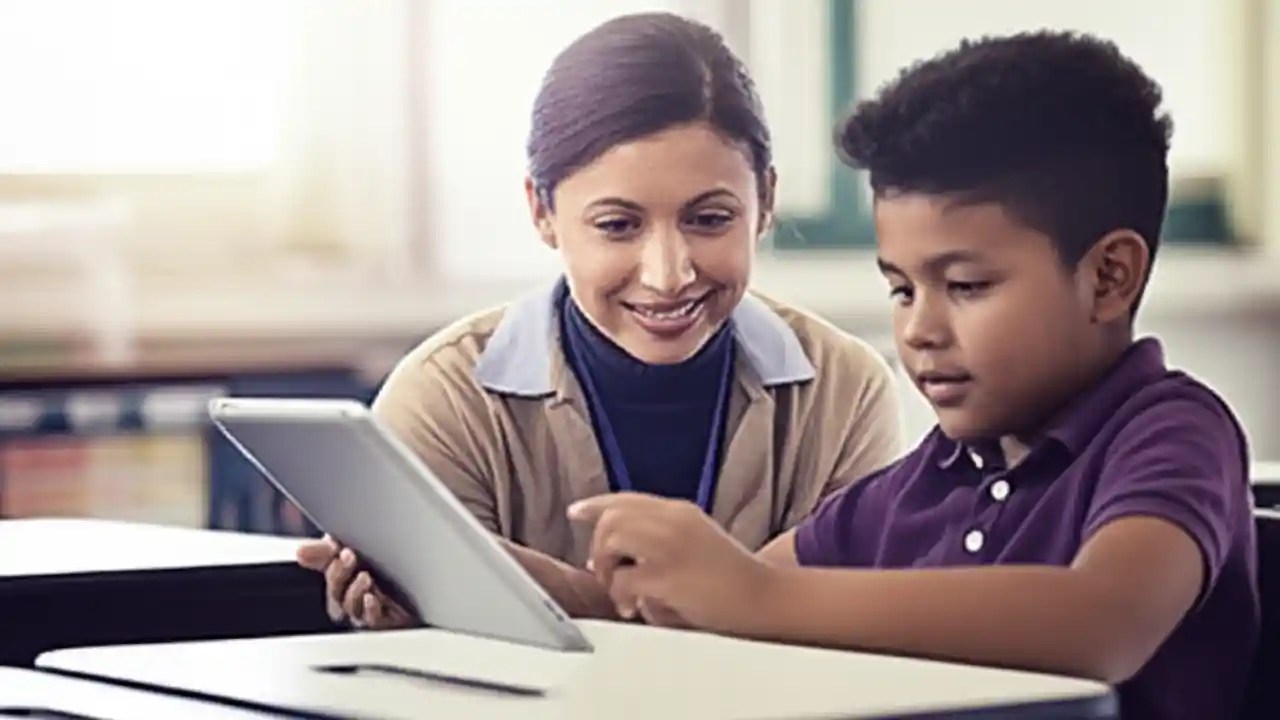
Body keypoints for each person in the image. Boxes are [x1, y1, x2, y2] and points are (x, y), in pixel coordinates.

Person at [569, 31, 1258, 720]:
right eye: (901, 290)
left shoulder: (1171, 432)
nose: (918, 330)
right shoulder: (925, 481)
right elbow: (695, 603)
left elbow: (1104, 621)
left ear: (1109, 277)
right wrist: (520, 577)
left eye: (964, 285)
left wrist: (754, 597)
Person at [296, 12, 903, 630]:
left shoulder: (844, 390)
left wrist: (550, 592)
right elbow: (456, 654)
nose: (668, 274)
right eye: (618, 225)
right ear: (543, 212)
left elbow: (838, 633)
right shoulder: (445, 398)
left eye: (710, 219)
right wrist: (402, 617)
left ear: (765, 202)